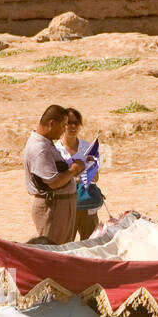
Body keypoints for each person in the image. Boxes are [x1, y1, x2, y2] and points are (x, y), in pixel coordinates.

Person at [23, 104, 85, 246]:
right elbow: (54, 182)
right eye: (63, 126)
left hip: (59, 205)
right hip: (53, 208)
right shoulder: (40, 148)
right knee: (52, 252)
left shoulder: (46, 143)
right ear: (51, 124)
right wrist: (74, 169)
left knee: (63, 252)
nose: (64, 130)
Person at [56, 108, 104, 241]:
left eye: (76, 123)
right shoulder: (55, 150)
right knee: (65, 243)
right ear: (62, 125)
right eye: (69, 123)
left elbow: (95, 178)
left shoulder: (87, 147)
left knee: (91, 243)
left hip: (87, 202)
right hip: (65, 203)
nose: (72, 126)